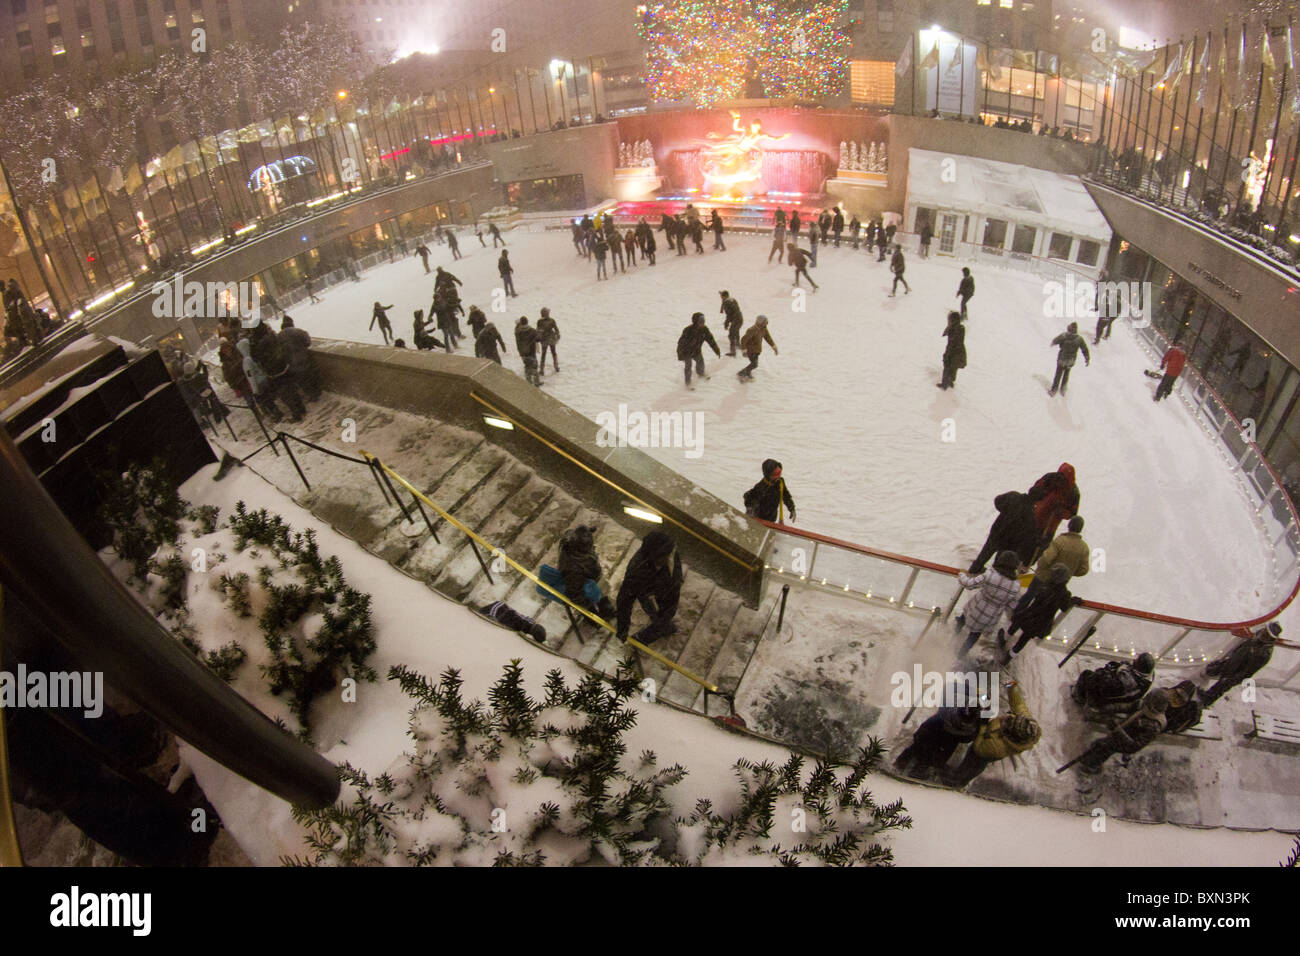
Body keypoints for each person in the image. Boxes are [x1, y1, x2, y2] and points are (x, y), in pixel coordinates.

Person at [945, 679, 1040, 787]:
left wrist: (983, 725)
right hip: (992, 734)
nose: (1006, 718)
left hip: (984, 746)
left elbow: (978, 747)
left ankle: (958, 781)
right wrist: (1011, 686)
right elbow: (1018, 704)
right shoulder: (1025, 722)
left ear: (1011, 734)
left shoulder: (997, 747)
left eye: (1008, 722)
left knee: (975, 762)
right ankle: (958, 776)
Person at [1074, 689, 1168, 776]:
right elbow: (1126, 707)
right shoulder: (1143, 704)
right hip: (1125, 729)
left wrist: (1117, 730)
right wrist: (1107, 709)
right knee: (1098, 745)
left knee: (1103, 747)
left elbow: (1133, 746)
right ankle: (1092, 761)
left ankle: (1088, 770)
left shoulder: (1154, 726)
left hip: (1128, 741)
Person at [615, 531, 683, 644]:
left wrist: (677, 580)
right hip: (648, 591)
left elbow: (675, 562)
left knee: (669, 611)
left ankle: (663, 624)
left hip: (667, 586)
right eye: (664, 557)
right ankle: (642, 639)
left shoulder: (669, 549)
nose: (668, 559)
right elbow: (624, 601)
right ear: (653, 556)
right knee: (658, 616)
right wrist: (622, 629)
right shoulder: (636, 571)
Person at [893, 696, 982, 780]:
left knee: (930, 759)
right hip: (934, 731)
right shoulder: (950, 710)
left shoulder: (976, 719)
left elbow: (968, 738)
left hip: (949, 739)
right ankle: (899, 767)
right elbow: (932, 724)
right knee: (917, 749)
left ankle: (916, 773)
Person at [954, 550, 1022, 656]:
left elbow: (968, 584)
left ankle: (954, 634)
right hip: (991, 617)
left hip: (976, 607)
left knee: (963, 618)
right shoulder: (1015, 586)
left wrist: (962, 573)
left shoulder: (989, 575)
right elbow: (1011, 607)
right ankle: (961, 653)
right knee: (974, 635)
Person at [1003, 563, 1078, 656]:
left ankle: (1005, 638)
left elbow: (1037, 596)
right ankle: (1011, 655)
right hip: (1042, 621)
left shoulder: (1045, 585)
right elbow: (1064, 607)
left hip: (1031, 613)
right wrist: (1072, 601)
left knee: (1016, 624)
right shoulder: (1064, 594)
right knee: (1025, 638)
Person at [1201, 622, 1280, 705]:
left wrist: (1235, 678)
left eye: (1267, 634)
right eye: (1265, 631)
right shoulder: (1256, 639)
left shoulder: (1264, 653)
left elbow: (1249, 671)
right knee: (1215, 674)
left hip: (1237, 672)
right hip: (1232, 662)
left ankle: (1206, 701)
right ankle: (1206, 694)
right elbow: (1241, 648)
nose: (1263, 634)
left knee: (1222, 686)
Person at [249, 319, 306, 422]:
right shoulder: (271, 336)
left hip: (274, 371)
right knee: (291, 388)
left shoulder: (258, 344)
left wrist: (252, 345)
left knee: (284, 393)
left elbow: (256, 358)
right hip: (283, 365)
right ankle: (301, 408)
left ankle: (296, 414)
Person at [969, 490, 1040, 573]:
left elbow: (997, 500)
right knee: (999, 561)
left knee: (986, 552)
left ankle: (975, 569)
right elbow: (1026, 533)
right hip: (1009, 541)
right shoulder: (1030, 513)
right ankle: (993, 576)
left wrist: (1004, 512)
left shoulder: (1013, 496)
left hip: (997, 531)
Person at [558, 524, 615, 618]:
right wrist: (585, 602)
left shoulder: (571, 543)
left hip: (590, 580)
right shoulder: (574, 567)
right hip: (581, 590)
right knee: (589, 608)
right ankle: (594, 618)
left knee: (601, 591)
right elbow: (575, 591)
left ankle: (604, 608)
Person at [1072, 654, 1156, 714]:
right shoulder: (1145, 678)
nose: (1134, 660)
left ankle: (1079, 697)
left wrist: (1105, 672)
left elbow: (1105, 689)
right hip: (1121, 694)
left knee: (1086, 675)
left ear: (1139, 666)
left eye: (1137, 661)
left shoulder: (1127, 681)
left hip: (1107, 698)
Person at [1028, 464, 1080, 556]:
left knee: (1040, 549)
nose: (1061, 480)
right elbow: (1034, 490)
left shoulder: (1073, 492)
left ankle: (1026, 565)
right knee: (1025, 542)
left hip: (1050, 525)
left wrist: (1061, 512)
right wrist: (1044, 497)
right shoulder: (1050, 478)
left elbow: (1072, 513)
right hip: (1035, 518)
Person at [279, 316, 319, 403]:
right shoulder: (299, 331)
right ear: (292, 323)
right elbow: (308, 343)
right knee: (310, 376)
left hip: (291, 363)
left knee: (302, 380)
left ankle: (310, 394)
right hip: (303, 358)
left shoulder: (279, 336)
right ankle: (316, 392)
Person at [743, 458, 795, 523]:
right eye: (776, 474)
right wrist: (750, 509)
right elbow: (748, 496)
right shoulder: (761, 486)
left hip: (771, 518)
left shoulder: (780, 482)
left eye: (780, 472)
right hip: (758, 518)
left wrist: (792, 508)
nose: (779, 476)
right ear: (768, 475)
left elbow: (786, 496)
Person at [677, 312, 721, 388]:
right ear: (695, 321)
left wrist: (716, 350)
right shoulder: (688, 330)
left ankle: (700, 373)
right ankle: (688, 383)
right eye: (700, 321)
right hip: (686, 351)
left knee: (700, 362)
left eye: (703, 321)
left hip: (696, 350)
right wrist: (680, 354)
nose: (702, 323)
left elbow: (711, 340)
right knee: (688, 366)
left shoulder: (704, 330)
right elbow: (681, 343)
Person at [1048, 322, 1090, 396]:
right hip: (1071, 360)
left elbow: (1055, 340)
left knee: (1058, 374)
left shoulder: (1064, 335)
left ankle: (1054, 390)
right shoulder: (1079, 339)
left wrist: (1053, 343)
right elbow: (1085, 349)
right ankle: (1063, 389)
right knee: (1066, 374)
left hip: (1062, 359)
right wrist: (1087, 358)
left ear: (1069, 328)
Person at [477, 601, 546, 643]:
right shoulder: (526, 625)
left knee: (483, 611)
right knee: (483, 611)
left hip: (501, 609)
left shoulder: (528, 623)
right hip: (500, 611)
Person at [738, 315, 778, 380]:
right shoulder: (752, 330)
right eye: (765, 322)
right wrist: (744, 350)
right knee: (754, 364)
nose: (767, 323)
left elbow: (768, 338)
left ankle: (747, 372)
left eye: (766, 321)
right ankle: (742, 373)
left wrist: (773, 346)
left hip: (757, 350)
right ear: (760, 322)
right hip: (750, 350)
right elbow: (743, 339)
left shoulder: (764, 329)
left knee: (754, 363)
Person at [938, 311, 966, 389]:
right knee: (953, 367)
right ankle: (950, 381)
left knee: (948, 365)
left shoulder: (956, 329)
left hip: (953, 351)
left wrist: (947, 354)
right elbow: (946, 332)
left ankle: (945, 384)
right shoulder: (960, 327)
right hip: (958, 351)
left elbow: (952, 339)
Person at [515, 316, 540, 384]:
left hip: (523, 352)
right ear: (527, 321)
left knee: (527, 367)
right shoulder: (532, 330)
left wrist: (520, 353)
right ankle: (536, 382)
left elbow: (518, 342)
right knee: (534, 366)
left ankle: (528, 382)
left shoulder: (518, 332)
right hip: (531, 352)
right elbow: (538, 339)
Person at [537, 307, 560, 375]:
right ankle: (556, 366)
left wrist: (537, 339)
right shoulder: (552, 320)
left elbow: (538, 331)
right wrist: (558, 335)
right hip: (551, 338)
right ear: (547, 313)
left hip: (544, 339)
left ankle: (541, 369)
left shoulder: (539, 321)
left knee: (543, 354)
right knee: (553, 352)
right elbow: (556, 329)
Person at [720, 290, 744, 357]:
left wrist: (726, 323)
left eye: (721, 296)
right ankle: (738, 345)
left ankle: (733, 351)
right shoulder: (732, 299)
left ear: (723, 296)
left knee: (731, 334)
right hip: (740, 318)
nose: (721, 298)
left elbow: (729, 315)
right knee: (736, 331)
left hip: (736, 319)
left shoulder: (726, 302)